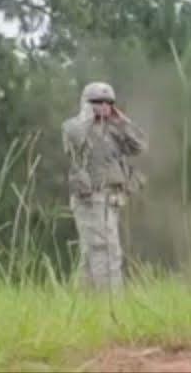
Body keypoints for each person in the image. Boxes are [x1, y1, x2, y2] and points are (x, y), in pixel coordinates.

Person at [62, 81, 148, 290]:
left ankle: (86, 304)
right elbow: (73, 138)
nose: (103, 106)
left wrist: (121, 121)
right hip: (91, 199)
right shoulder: (74, 127)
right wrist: (87, 114)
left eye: (108, 102)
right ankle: (109, 303)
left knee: (92, 255)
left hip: (112, 199)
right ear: (86, 103)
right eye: (97, 102)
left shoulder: (113, 130)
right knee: (106, 252)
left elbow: (140, 146)